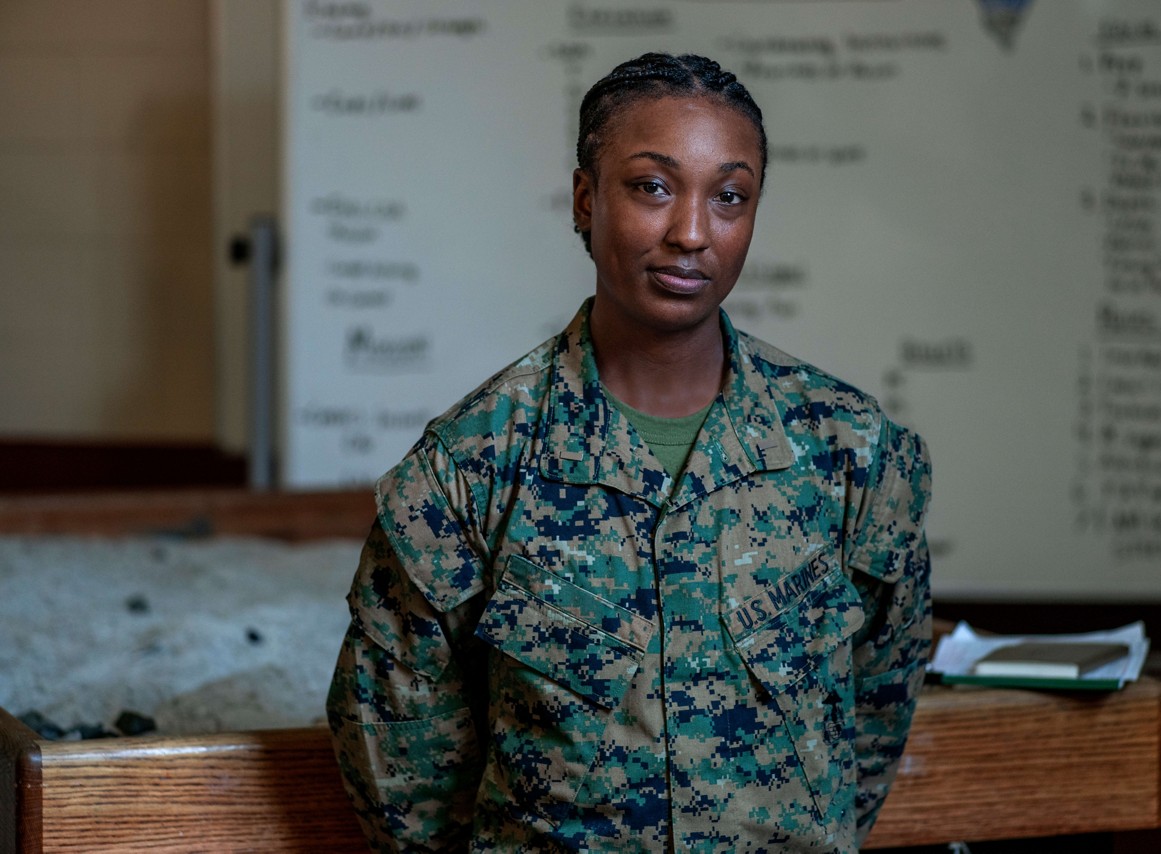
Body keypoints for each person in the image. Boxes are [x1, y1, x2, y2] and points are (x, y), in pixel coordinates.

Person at [327, 52, 932, 853]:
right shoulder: (467, 469)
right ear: (586, 199)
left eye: (729, 197)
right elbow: (399, 763)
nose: (690, 232)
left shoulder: (850, 452)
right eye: (652, 186)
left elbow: (877, 709)